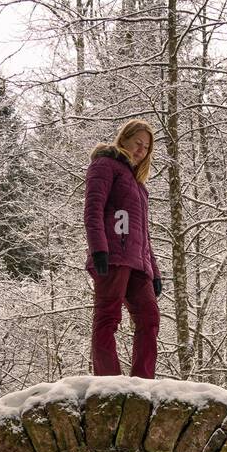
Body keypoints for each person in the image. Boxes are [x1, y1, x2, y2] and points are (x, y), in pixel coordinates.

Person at [83, 118, 161, 379]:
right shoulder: (105, 165)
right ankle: (109, 382)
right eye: (138, 143)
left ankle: (143, 383)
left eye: (146, 148)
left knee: (149, 319)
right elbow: (93, 209)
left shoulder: (140, 186)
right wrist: (99, 249)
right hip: (112, 256)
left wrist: (156, 272)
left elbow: (144, 233)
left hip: (139, 265)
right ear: (124, 139)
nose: (141, 150)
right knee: (108, 317)